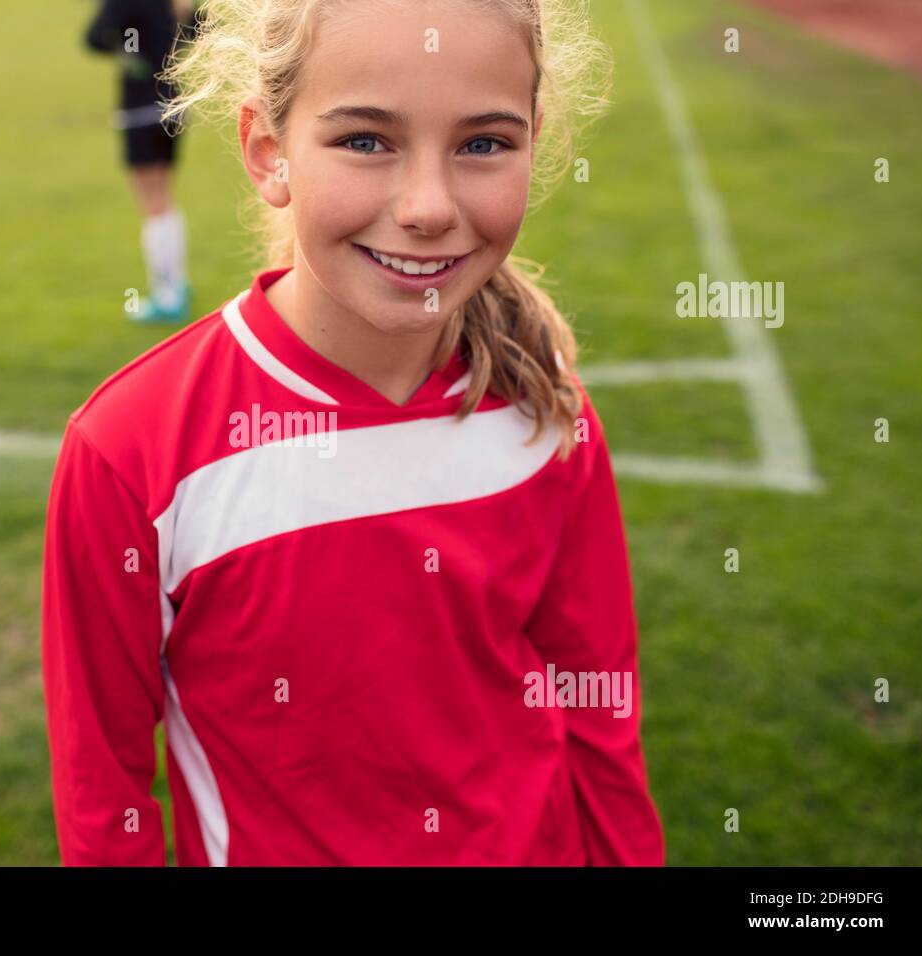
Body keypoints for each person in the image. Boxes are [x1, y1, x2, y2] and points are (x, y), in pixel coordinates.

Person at [43, 0, 666, 865]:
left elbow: (597, 703)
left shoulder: (546, 407)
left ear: (536, 138)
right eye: (366, 141)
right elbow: (103, 792)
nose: (427, 208)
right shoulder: (132, 450)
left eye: (483, 143)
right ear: (268, 151)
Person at [84, 0, 197, 322]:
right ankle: (177, 283)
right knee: (165, 199)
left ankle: (169, 294)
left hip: (139, 110)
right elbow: (202, 28)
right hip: (174, 106)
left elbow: (92, 38)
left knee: (154, 204)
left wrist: (129, 55)